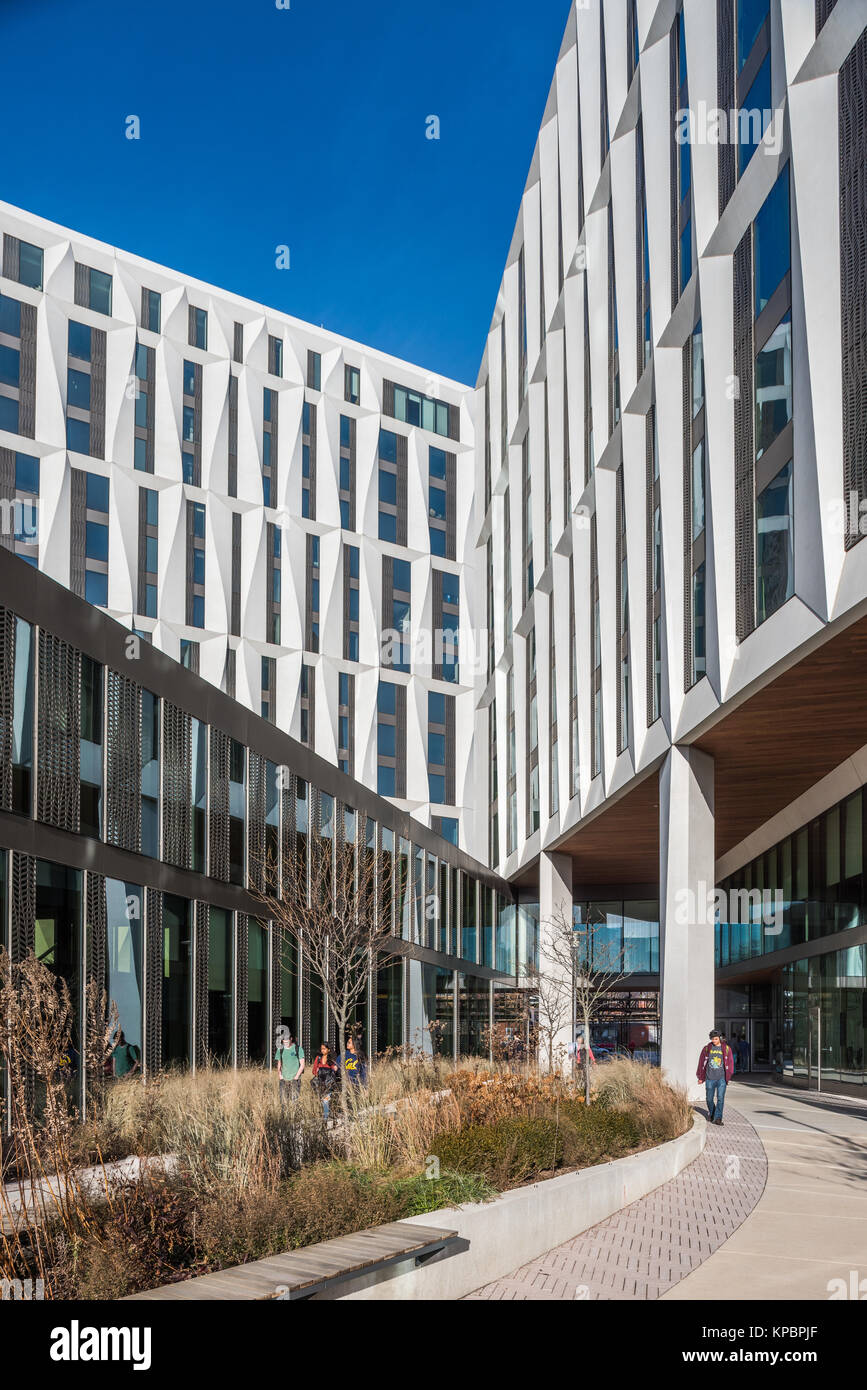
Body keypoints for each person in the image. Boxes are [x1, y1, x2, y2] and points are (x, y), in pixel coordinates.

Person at [696, 1029, 734, 1126]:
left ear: (720, 1038)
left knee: (720, 1098)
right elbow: (701, 1063)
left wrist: (728, 1076)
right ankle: (713, 1114)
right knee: (709, 1099)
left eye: (716, 1039)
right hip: (710, 1078)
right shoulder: (706, 1049)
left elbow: (730, 1063)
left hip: (721, 1078)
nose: (714, 1041)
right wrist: (700, 1077)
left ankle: (718, 1118)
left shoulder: (726, 1049)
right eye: (712, 1039)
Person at [275, 1030, 305, 1106]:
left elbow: (302, 1065)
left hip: (295, 1080)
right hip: (283, 1080)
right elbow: (279, 1063)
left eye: (287, 1041)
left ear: (291, 1039)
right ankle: (284, 1117)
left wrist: (296, 1077)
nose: (285, 1043)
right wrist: (280, 1076)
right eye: (284, 1041)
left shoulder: (298, 1049)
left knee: (294, 1102)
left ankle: (294, 1117)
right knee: (283, 1102)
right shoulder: (280, 1050)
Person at [312, 1042, 339, 1121]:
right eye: (321, 1049)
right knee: (321, 1100)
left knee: (325, 1100)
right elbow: (314, 1070)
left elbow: (335, 1069)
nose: (322, 1050)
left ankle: (325, 1119)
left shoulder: (332, 1058)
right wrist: (316, 1071)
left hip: (329, 1083)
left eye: (324, 1049)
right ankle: (326, 1116)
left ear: (329, 1049)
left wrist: (334, 1068)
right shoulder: (319, 1058)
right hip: (320, 1083)